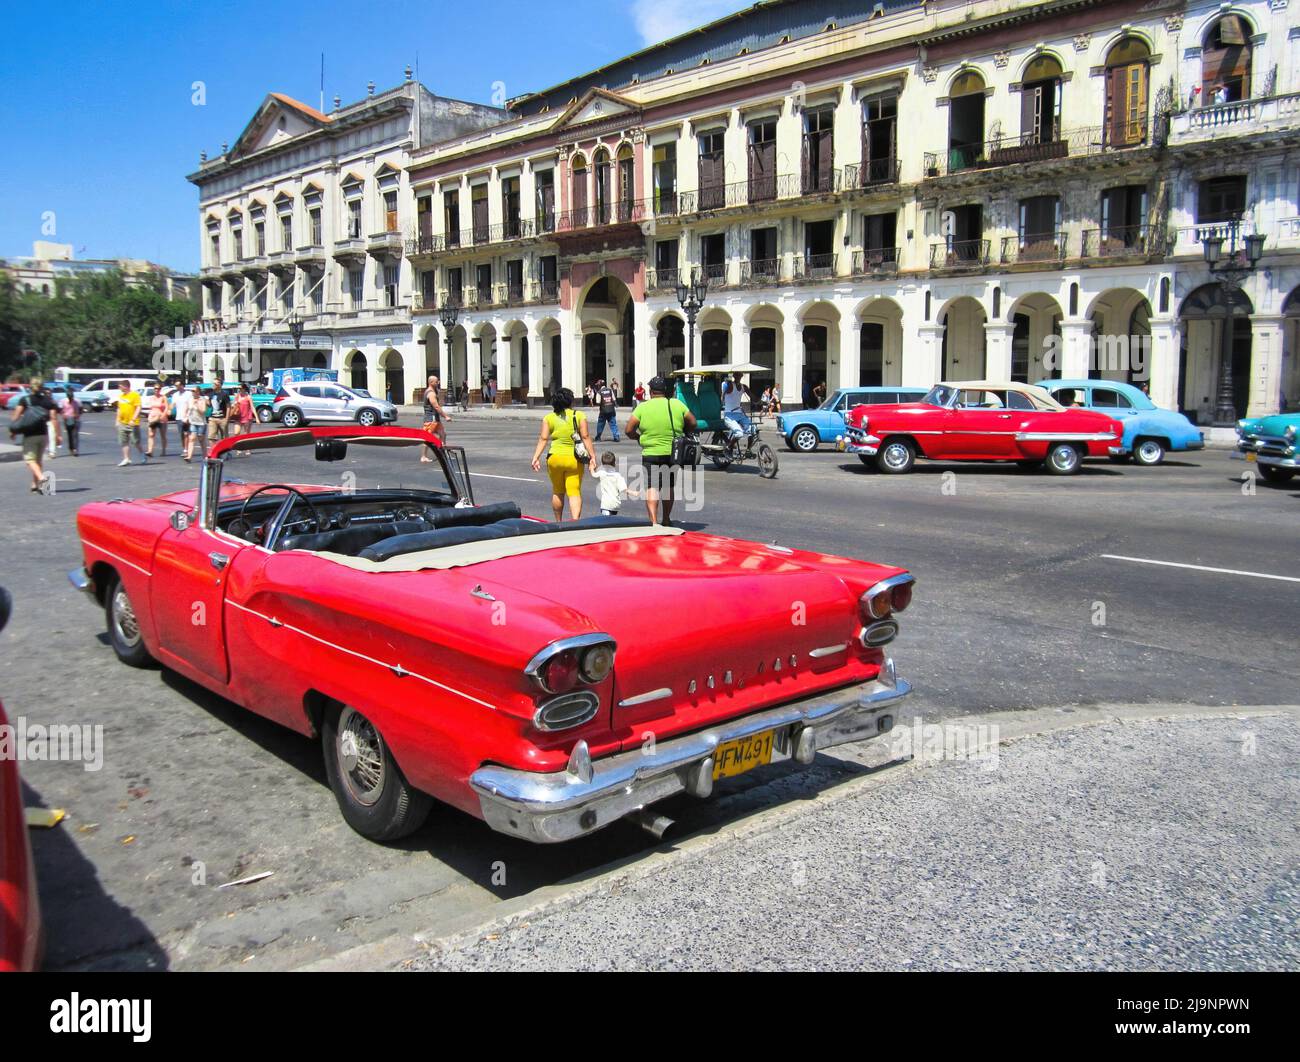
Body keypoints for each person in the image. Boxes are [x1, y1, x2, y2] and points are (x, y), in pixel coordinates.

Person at [626, 375, 696, 526]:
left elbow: (628, 430)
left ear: (651, 391)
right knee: (668, 486)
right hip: (673, 452)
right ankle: (666, 519)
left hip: (651, 453)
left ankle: (653, 521)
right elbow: (693, 421)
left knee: (652, 486)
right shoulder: (676, 404)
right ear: (665, 390)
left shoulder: (642, 407)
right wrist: (685, 432)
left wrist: (638, 438)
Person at [530, 387, 597, 522]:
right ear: (570, 401)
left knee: (558, 491)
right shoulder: (579, 416)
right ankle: (575, 523)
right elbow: (585, 436)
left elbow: (543, 439)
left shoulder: (549, 418)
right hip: (573, 459)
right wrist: (592, 456)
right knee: (574, 491)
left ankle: (558, 522)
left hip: (554, 458)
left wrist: (536, 457)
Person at [9, 381, 59, 493]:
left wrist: (13, 431)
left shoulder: (25, 400)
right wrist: (57, 435)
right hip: (43, 434)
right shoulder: (47, 401)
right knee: (38, 460)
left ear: (30, 388)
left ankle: (41, 479)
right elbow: (53, 418)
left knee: (30, 460)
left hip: (30, 435)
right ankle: (35, 484)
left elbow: (15, 416)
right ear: (42, 388)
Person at [116, 379, 145, 466]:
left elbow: (138, 408)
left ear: (125, 386)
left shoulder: (134, 395)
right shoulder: (121, 396)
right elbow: (119, 409)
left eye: (120, 386)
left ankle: (142, 455)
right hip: (122, 422)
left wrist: (133, 419)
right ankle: (126, 458)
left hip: (133, 423)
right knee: (123, 441)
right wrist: (117, 420)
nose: (119, 388)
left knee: (135, 442)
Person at [422, 374, 450, 460]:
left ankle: (442, 453)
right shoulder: (430, 393)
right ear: (431, 382)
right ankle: (423, 456)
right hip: (431, 418)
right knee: (427, 438)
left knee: (443, 434)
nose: (438, 382)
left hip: (435, 418)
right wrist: (446, 416)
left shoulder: (433, 391)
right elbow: (436, 406)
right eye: (436, 381)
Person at [593, 450, 628, 516]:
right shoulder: (618, 476)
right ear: (615, 463)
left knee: (606, 522)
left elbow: (593, 474)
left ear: (602, 464)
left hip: (606, 505)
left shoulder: (601, 473)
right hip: (615, 505)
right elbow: (624, 489)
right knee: (612, 522)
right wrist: (634, 493)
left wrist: (591, 467)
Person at [721, 372, 752, 441]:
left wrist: (761, 402)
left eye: (740, 375)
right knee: (739, 434)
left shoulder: (743, 386)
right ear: (734, 376)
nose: (739, 376)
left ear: (742, 376)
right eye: (737, 375)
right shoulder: (730, 385)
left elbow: (753, 397)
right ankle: (729, 447)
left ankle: (748, 450)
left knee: (752, 430)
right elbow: (723, 395)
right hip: (729, 415)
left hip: (740, 414)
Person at [184, 385, 209, 462]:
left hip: (201, 422)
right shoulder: (190, 399)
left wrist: (197, 405)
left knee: (201, 440)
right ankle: (189, 457)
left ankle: (205, 456)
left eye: (194, 391)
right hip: (193, 422)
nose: (193, 392)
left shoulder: (202, 399)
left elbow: (203, 411)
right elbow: (187, 409)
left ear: (198, 392)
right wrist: (185, 417)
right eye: (192, 391)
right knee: (191, 439)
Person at [145, 386, 170, 459]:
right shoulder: (151, 398)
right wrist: (149, 417)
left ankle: (163, 450)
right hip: (152, 418)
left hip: (161, 418)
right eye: (155, 388)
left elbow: (167, 407)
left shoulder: (163, 397)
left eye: (158, 388)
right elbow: (151, 408)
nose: (157, 390)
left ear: (160, 389)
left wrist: (163, 415)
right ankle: (150, 451)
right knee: (151, 434)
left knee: (163, 435)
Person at [61, 387, 82, 457]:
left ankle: (75, 449)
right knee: (69, 435)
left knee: (75, 435)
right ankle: (71, 448)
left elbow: (80, 410)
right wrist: (64, 416)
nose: (70, 399)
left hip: (75, 419)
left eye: (71, 397)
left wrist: (77, 415)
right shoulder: (63, 401)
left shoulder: (77, 401)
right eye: (69, 397)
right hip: (67, 420)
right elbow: (62, 411)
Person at [174, 383, 193, 456]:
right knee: (181, 434)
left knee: (186, 433)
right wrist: (169, 409)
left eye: (178, 385)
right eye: (176, 385)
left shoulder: (189, 394)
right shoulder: (175, 395)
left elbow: (190, 404)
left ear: (182, 385)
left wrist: (188, 415)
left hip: (187, 417)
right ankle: (184, 448)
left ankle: (186, 450)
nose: (177, 387)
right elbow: (173, 403)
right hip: (178, 417)